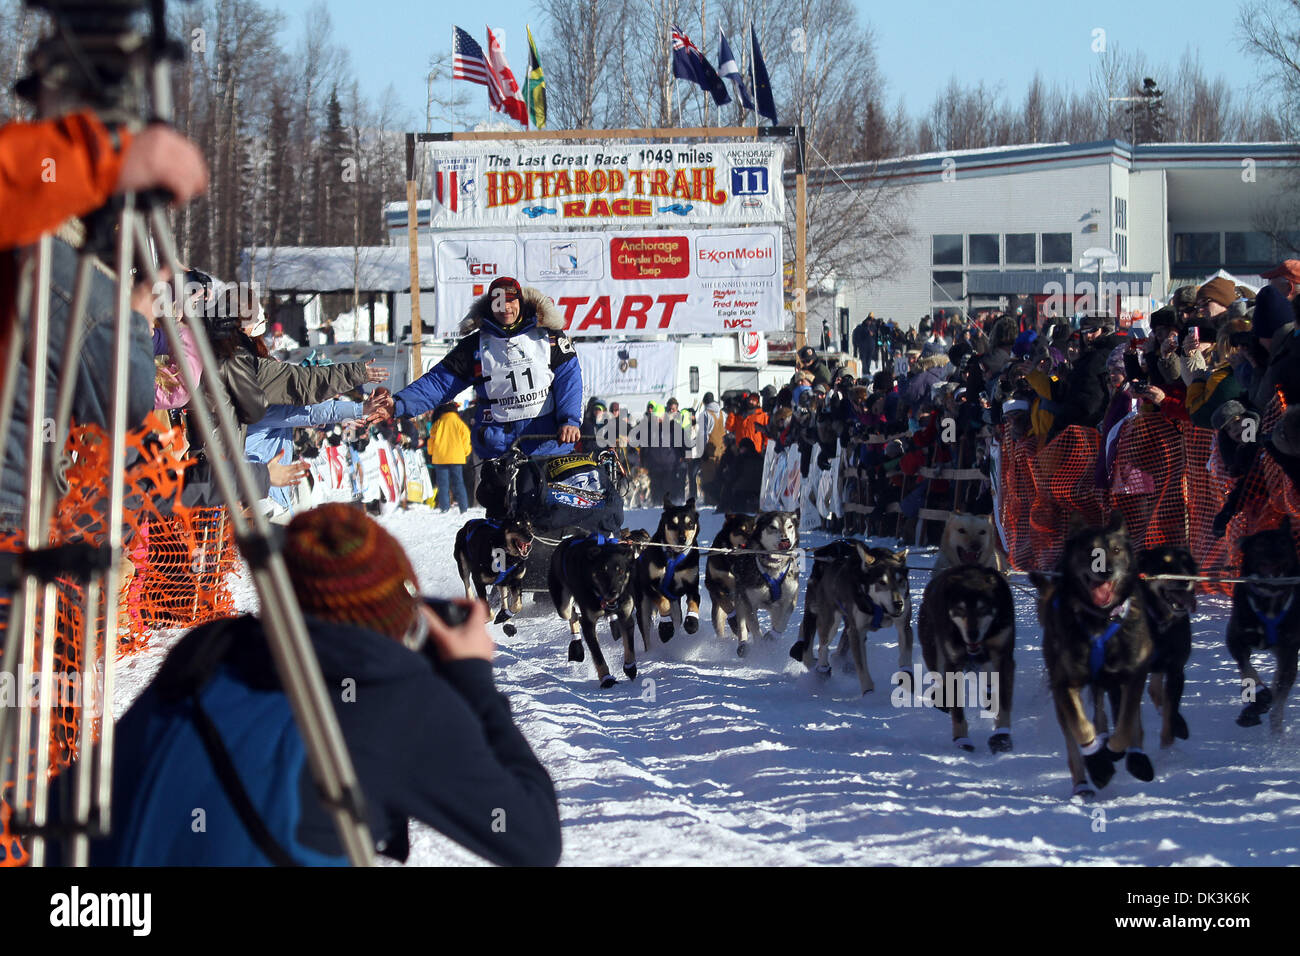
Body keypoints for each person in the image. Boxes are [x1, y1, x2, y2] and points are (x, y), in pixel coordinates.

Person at [84, 504, 562, 866]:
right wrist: (472, 678)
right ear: (398, 615)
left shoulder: (208, 651)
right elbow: (534, 840)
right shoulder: (395, 699)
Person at [372, 276, 582, 461]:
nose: (505, 308)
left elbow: (569, 380)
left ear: (521, 302)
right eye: (499, 303)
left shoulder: (549, 338)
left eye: (511, 301)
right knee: (499, 503)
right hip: (500, 445)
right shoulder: (475, 346)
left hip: (547, 442)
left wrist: (569, 420)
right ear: (490, 306)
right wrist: (398, 404)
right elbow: (438, 383)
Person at [428, 401, 472, 514]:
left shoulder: (438, 423)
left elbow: (431, 440)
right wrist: (465, 453)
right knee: (459, 483)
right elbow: (466, 439)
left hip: (440, 457)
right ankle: (463, 508)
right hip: (457, 457)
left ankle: (445, 508)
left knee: (443, 485)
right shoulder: (459, 423)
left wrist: (432, 452)